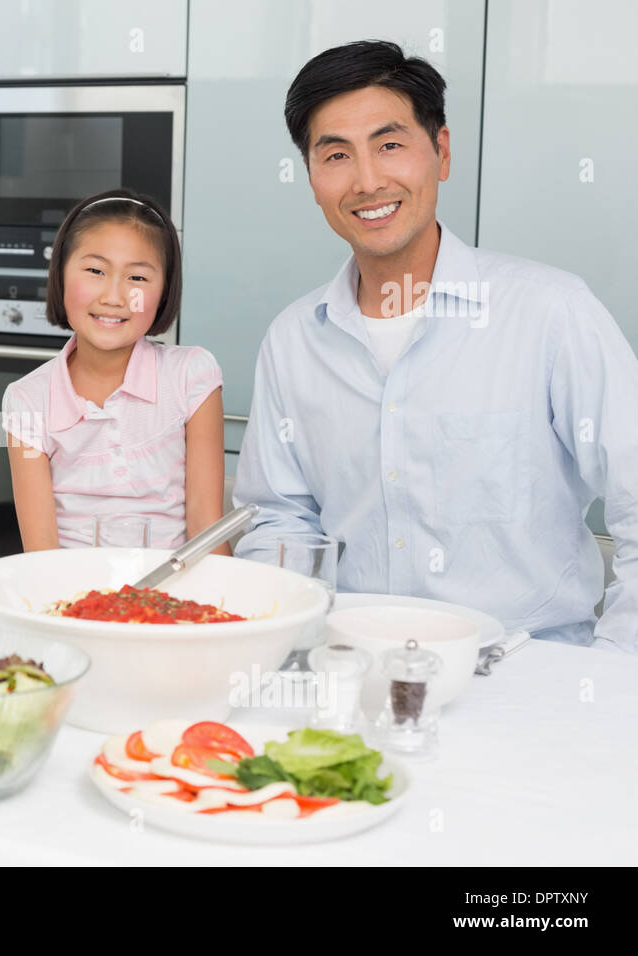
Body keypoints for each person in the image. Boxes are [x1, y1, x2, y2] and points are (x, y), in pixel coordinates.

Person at [233, 40, 637, 651]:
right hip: (351, 675)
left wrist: (612, 671)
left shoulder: (552, 314)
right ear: (311, 177)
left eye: (390, 145)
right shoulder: (294, 340)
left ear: (440, 152)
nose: (368, 181)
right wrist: (279, 647)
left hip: (527, 684)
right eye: (336, 154)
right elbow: (278, 518)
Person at [2, 189, 228, 551]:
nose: (114, 297)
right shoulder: (27, 401)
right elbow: (41, 552)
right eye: (95, 271)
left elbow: (206, 525)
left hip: (176, 597)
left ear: (164, 292)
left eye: (137, 278)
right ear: (60, 275)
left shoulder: (192, 376)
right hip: (71, 595)